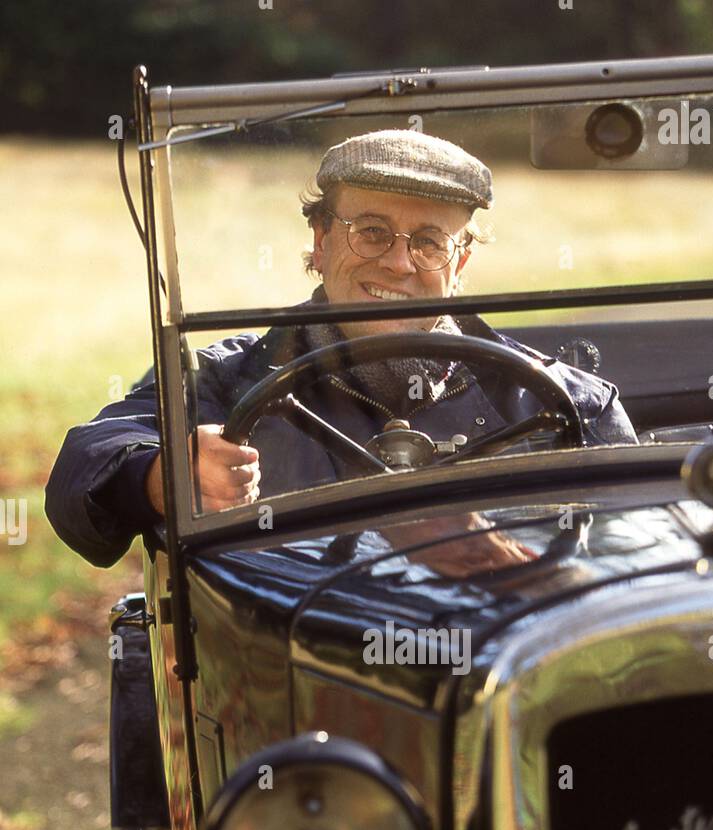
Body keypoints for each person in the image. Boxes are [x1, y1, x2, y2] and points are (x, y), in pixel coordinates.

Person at [46, 129, 637, 569]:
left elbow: (632, 567)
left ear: (459, 263)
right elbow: (81, 470)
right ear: (322, 240)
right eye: (372, 232)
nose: (399, 263)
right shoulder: (228, 381)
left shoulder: (560, 404)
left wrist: (504, 560)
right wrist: (161, 475)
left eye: (430, 243)